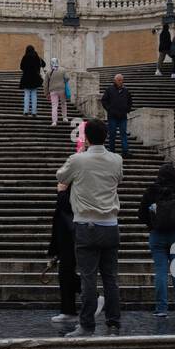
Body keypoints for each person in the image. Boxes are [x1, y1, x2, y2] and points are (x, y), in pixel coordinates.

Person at [56, 119, 123, 337]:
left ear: (86, 137)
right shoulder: (116, 159)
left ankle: (86, 325)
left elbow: (61, 177)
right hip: (111, 224)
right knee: (110, 278)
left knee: (88, 278)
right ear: (106, 136)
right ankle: (114, 323)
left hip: (86, 224)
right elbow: (118, 179)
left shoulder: (78, 159)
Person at [141, 161, 175, 318]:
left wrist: (152, 223)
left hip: (157, 235)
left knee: (161, 272)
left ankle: (161, 309)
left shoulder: (151, 191)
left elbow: (141, 214)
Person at [44, 184, 79, 324]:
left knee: (66, 273)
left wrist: (61, 192)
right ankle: (68, 310)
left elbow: (67, 207)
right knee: (65, 273)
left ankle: (92, 295)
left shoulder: (71, 189)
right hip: (65, 236)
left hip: (69, 236)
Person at [99, 73, 133, 158]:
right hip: (112, 116)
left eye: (122, 80)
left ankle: (125, 151)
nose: (120, 81)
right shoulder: (109, 90)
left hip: (123, 116)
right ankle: (112, 151)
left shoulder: (126, 91)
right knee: (112, 134)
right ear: (115, 80)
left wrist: (127, 109)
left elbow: (130, 102)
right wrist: (109, 109)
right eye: (119, 80)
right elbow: (104, 100)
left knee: (123, 134)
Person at [19, 45, 46, 117]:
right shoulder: (37, 57)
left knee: (26, 95)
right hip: (35, 78)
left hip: (26, 78)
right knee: (34, 95)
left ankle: (26, 111)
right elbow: (44, 64)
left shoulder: (25, 57)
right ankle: (34, 112)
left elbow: (21, 67)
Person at [45, 58, 70, 125]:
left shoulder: (48, 72)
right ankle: (65, 117)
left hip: (52, 91)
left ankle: (54, 121)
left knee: (54, 106)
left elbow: (45, 84)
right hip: (61, 89)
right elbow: (67, 78)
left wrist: (46, 93)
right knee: (63, 103)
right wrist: (63, 82)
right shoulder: (63, 70)